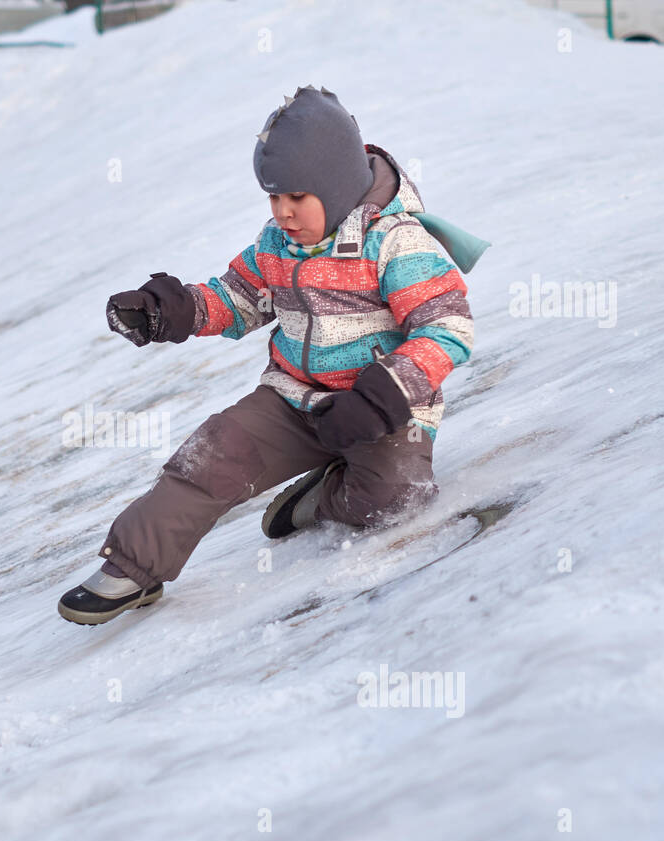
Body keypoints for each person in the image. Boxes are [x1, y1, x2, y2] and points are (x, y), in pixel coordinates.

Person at [58, 86, 478, 626]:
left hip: (383, 413)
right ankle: (134, 567)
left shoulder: (395, 243)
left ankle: (320, 499)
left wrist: (384, 394)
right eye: (272, 199)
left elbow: (447, 328)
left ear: (336, 185)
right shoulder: (278, 245)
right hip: (293, 400)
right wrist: (176, 311)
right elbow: (238, 298)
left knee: (395, 500)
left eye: (295, 198)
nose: (282, 213)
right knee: (213, 453)